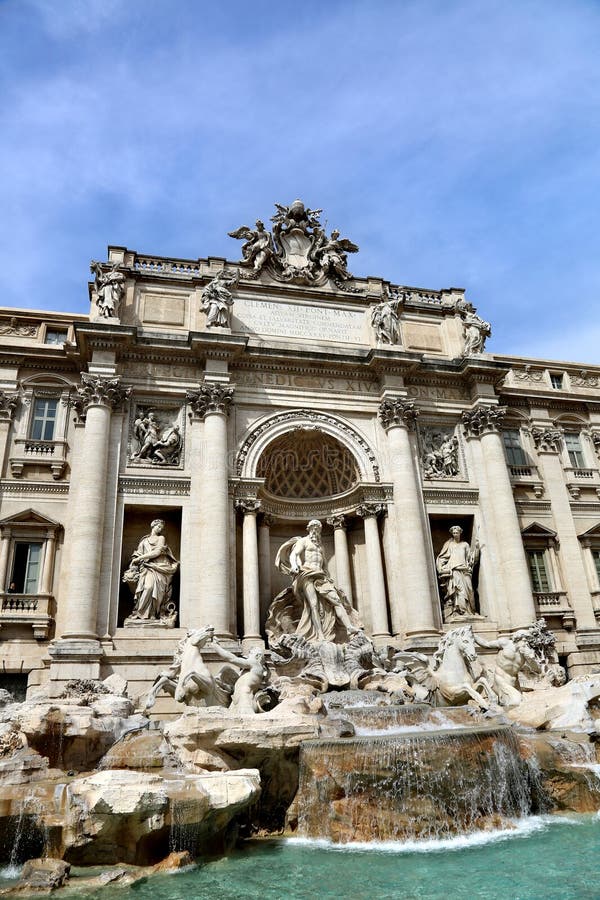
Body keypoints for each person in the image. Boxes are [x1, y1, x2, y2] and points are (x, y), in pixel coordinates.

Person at [277, 520, 361, 643]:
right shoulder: (303, 541)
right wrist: (295, 565)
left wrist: (328, 577)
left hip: (321, 576)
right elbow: (293, 555)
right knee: (314, 604)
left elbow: (324, 564)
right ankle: (319, 634)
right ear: (309, 529)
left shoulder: (320, 546)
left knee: (336, 601)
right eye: (313, 528)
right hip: (307, 574)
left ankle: (349, 627)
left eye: (318, 529)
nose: (315, 531)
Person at [123, 519, 179, 621]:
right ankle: (141, 613)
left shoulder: (161, 538)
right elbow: (137, 554)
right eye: (158, 526)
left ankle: (153, 614)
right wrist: (135, 560)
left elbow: (157, 552)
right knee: (148, 588)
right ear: (153, 526)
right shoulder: (144, 541)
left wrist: (140, 558)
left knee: (156, 591)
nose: (160, 529)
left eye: (161, 528)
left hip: (159, 568)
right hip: (146, 568)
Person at [474, 630, 541, 708]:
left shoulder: (526, 652)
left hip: (514, 682)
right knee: (516, 701)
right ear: (518, 638)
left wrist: (531, 659)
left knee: (519, 706)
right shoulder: (505, 643)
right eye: (524, 640)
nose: (526, 643)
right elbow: (486, 644)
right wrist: (473, 636)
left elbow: (537, 669)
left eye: (527, 641)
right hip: (501, 678)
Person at [436, 526, 479, 619]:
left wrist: (477, 548)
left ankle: (471, 610)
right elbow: (442, 557)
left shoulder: (465, 545)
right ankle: (462, 611)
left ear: (460, 533)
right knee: (459, 591)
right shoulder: (449, 545)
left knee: (470, 590)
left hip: (465, 570)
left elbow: (470, 558)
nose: (455, 534)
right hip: (454, 570)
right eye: (454, 533)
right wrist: (441, 567)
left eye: (457, 533)